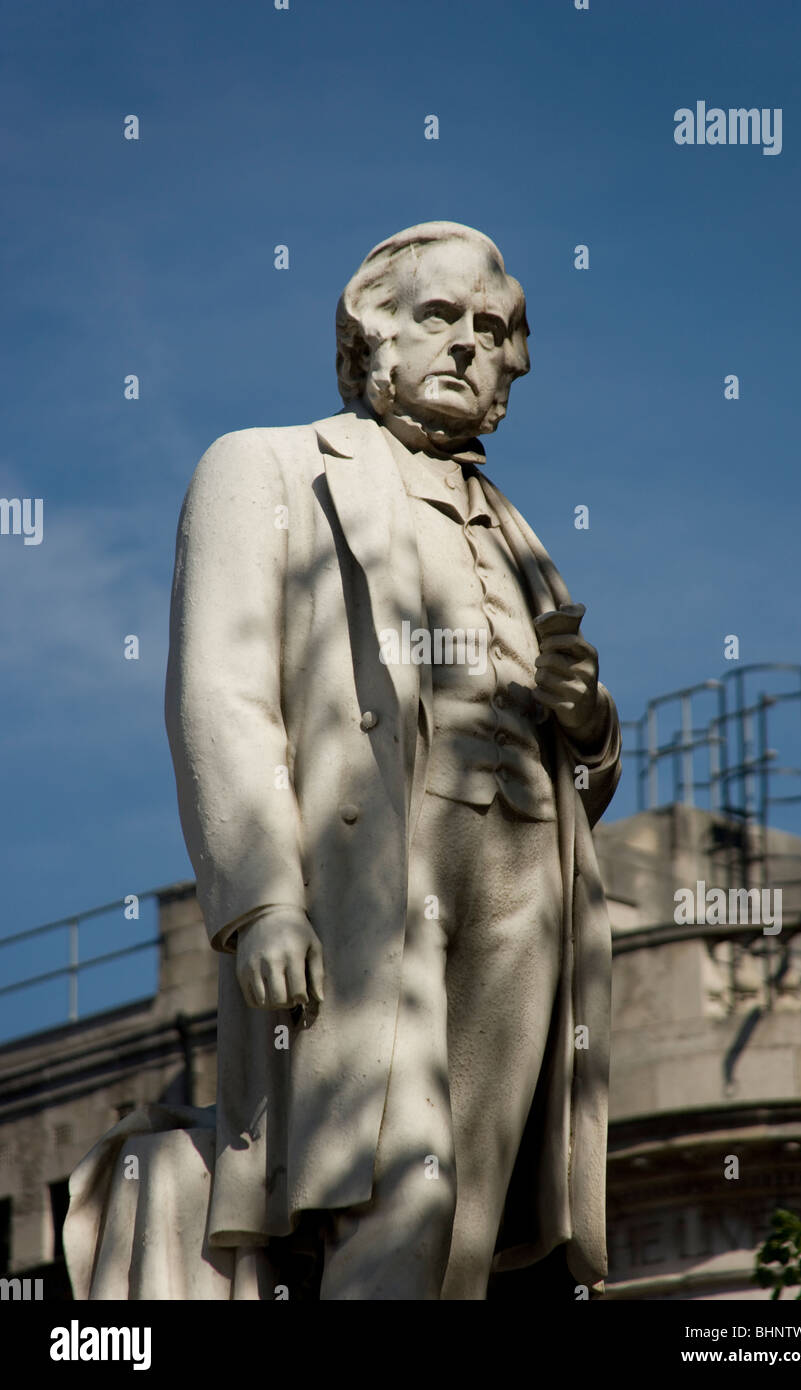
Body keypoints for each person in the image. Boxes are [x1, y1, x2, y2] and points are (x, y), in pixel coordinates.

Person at [165, 221, 621, 1299]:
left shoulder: (520, 535)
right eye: (440, 317)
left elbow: (586, 779)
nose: (471, 344)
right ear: (374, 335)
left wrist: (585, 721)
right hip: (370, 873)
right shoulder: (264, 466)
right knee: (394, 1187)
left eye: (493, 328)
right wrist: (260, 900)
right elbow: (221, 695)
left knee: (467, 1214)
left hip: (523, 883)